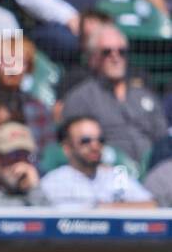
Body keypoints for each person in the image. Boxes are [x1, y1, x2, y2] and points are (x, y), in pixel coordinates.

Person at [60, 23, 167, 164]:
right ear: (93, 58)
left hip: (153, 171)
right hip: (106, 174)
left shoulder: (144, 95)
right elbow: (75, 148)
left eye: (121, 51)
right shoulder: (80, 99)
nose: (115, 57)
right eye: (107, 52)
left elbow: (162, 139)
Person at [42, 115, 156, 208]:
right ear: (67, 148)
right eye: (86, 141)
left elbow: (151, 205)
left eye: (100, 140)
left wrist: (105, 209)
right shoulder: (53, 182)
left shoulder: (116, 176)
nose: (95, 146)